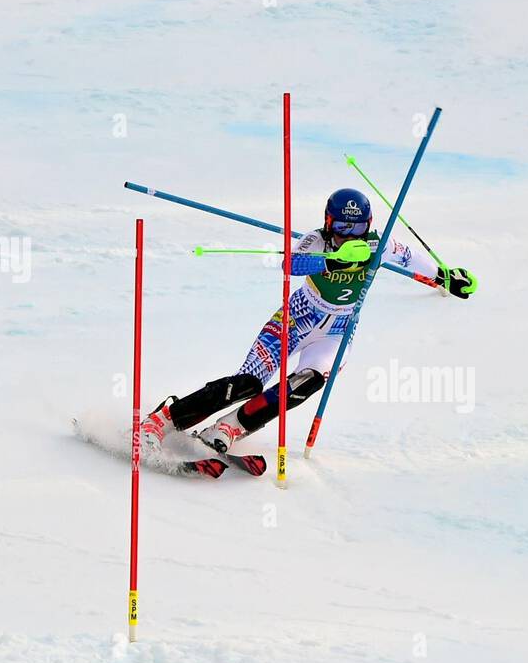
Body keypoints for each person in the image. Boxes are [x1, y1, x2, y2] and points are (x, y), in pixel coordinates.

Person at [141, 188, 477, 462]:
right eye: (343, 227)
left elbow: (412, 259)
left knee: (302, 385)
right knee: (247, 383)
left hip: (336, 333)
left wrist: (446, 277)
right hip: (296, 318)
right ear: (329, 222)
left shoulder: (380, 244)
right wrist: (331, 259)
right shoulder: (317, 240)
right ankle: (162, 421)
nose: (350, 235)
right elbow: (290, 264)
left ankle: (229, 429)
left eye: (357, 228)